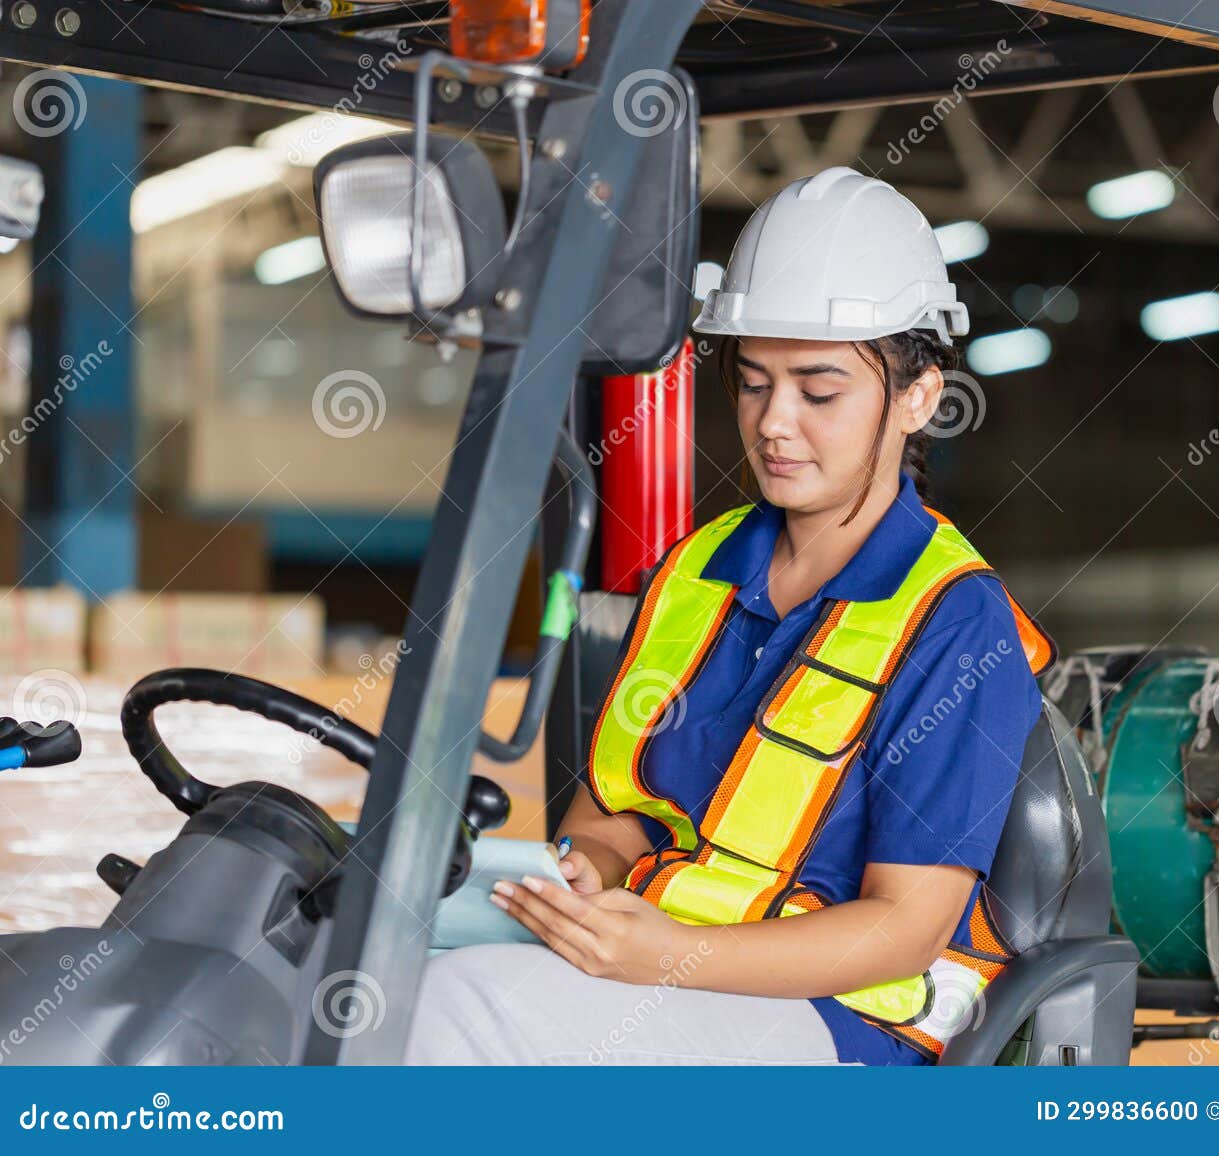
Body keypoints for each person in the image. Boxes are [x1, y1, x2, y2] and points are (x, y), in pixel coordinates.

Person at [403, 166, 1052, 1066]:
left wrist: (670, 954)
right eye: (753, 384)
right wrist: (583, 875)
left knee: (464, 1011)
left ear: (918, 398)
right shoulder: (700, 570)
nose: (774, 424)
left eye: (818, 391)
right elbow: (614, 814)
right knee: (350, 969)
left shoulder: (955, 621)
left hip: (840, 1032)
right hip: (668, 980)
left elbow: (903, 929)